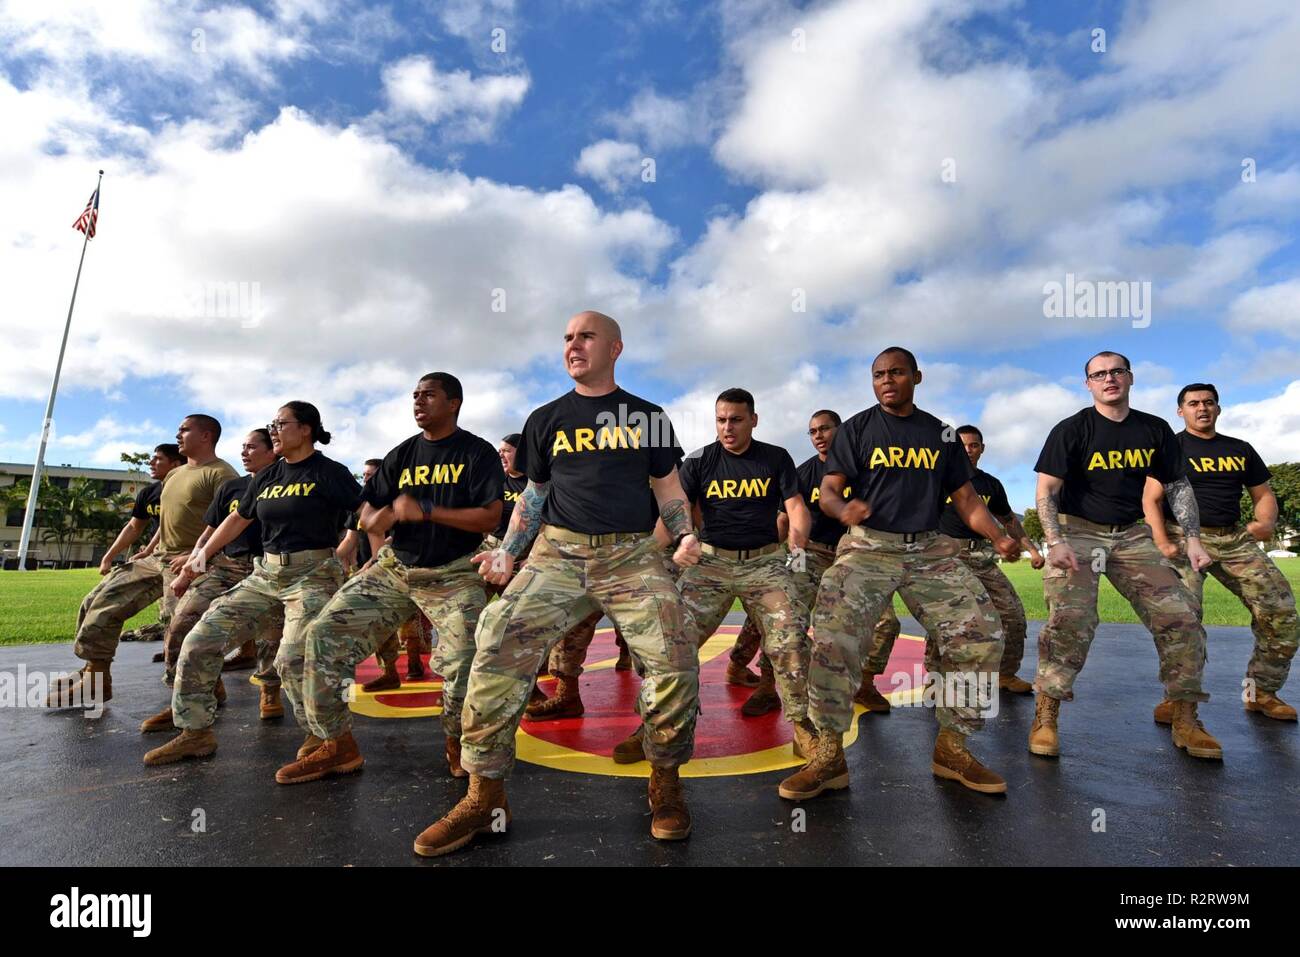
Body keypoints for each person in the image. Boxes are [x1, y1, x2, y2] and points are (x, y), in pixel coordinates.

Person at [412, 310, 701, 857]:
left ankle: (665, 782)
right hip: (558, 553)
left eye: (586, 336)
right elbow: (535, 495)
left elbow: (667, 486)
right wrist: (507, 552)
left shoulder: (649, 416)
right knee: (494, 646)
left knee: (673, 660)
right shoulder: (546, 419)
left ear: (615, 348)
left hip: (631, 555)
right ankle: (484, 797)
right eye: (567, 337)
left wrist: (684, 534)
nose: (573, 344)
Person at [780, 347, 1019, 800]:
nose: (886, 381)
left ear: (917, 377)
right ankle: (828, 754)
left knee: (981, 633)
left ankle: (953, 747)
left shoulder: (941, 435)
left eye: (896, 373)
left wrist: (998, 536)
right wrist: (842, 507)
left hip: (928, 547)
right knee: (834, 637)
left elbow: (966, 500)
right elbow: (828, 491)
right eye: (878, 375)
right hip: (869, 546)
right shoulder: (856, 429)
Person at [273, 373, 504, 785]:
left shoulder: (476, 452)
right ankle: (337, 745)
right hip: (397, 569)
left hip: (453, 572)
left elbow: (489, 517)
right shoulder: (402, 454)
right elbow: (370, 513)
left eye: (429, 395)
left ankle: (456, 740)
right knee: (322, 635)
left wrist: (428, 510)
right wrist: (376, 522)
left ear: (453, 403)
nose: (418, 401)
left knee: (465, 662)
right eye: (415, 395)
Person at [143, 402, 360, 766]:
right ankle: (195, 732)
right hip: (265, 575)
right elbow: (237, 519)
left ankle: (324, 738)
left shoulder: (328, 472)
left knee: (293, 659)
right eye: (271, 425)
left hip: (313, 576)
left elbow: (365, 508)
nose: (273, 430)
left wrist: (350, 545)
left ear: (305, 429)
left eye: (281, 423)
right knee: (199, 640)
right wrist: (202, 555)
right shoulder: (267, 476)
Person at [1029, 352, 1222, 761]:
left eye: (1116, 371)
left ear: (1130, 377)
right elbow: (1046, 490)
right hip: (1079, 531)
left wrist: (1192, 538)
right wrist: (1055, 540)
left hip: (1132, 535)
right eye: (1099, 375)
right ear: (1089, 385)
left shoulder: (1153, 429)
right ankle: (1046, 714)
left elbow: (1177, 487)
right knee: (1072, 619)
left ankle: (1185, 715)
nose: (1109, 379)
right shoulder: (1072, 429)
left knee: (1182, 617)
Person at [611, 387, 817, 762]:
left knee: (790, 639)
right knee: (671, 645)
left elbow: (796, 506)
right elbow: (675, 511)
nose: (728, 428)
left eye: (736, 420)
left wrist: (798, 547)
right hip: (710, 563)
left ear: (753, 420)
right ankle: (654, 728)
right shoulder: (701, 460)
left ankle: (804, 728)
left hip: (765, 563)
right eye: (721, 420)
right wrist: (645, 556)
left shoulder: (776, 457)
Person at [48, 417, 237, 708]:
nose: (178, 434)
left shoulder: (221, 474)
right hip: (158, 558)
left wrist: (198, 555)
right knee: (98, 601)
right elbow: (166, 521)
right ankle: (95, 679)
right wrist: (146, 550)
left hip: (195, 561)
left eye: (185, 429)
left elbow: (230, 523)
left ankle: (206, 690)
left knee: (182, 629)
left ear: (206, 435)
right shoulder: (174, 475)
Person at [1143, 383, 1297, 722]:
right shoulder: (1170, 449)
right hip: (1182, 539)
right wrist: (1162, 541)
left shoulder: (1239, 448)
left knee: (1280, 611)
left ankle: (1261, 693)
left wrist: (1265, 522)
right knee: (1182, 620)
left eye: (1209, 402)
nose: (1202, 408)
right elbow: (1151, 499)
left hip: (1234, 540)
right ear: (1180, 411)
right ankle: (1177, 699)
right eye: (1193, 403)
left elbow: (1263, 493)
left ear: (1218, 408)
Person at [864, 425, 1044, 695]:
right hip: (945, 557)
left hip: (982, 557)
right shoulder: (935, 480)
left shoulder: (991, 484)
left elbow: (1008, 521)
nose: (968, 451)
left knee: (1013, 615)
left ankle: (1005, 674)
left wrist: (1031, 549)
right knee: (946, 620)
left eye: (974, 446)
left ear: (982, 449)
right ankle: (934, 679)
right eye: (963, 446)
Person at [138, 429, 285, 733]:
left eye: (252, 447)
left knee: (270, 634)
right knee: (180, 624)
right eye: (242, 447)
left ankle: (269, 691)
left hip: (267, 570)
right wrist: (192, 565)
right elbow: (209, 531)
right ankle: (192, 696)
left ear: (273, 451)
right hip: (225, 567)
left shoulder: (288, 485)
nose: (244, 452)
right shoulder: (232, 488)